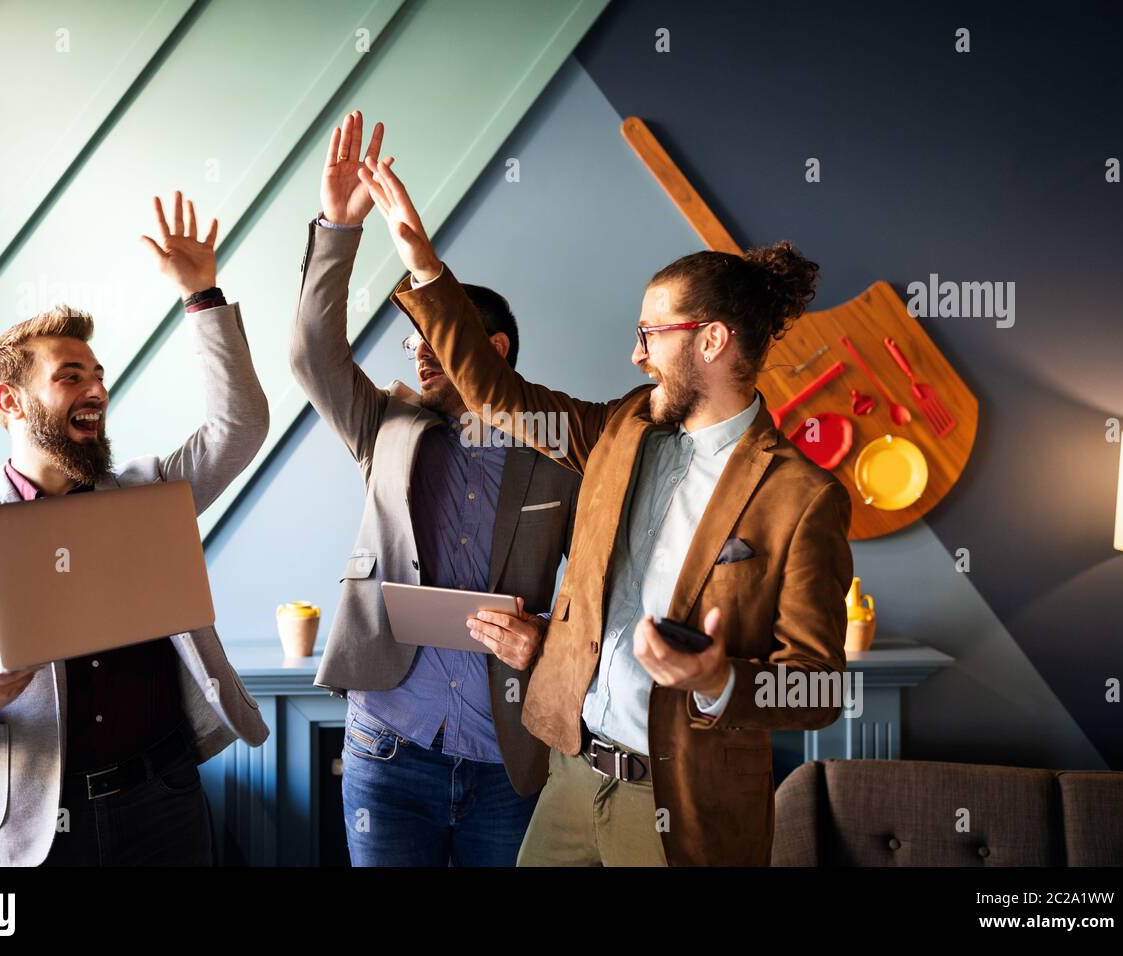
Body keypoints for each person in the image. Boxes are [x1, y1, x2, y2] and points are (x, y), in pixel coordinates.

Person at [357, 154, 853, 866]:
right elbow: (498, 396)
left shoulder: (802, 498)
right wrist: (424, 263)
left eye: (650, 334)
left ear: (711, 339)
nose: (636, 353)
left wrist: (717, 680)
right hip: (568, 778)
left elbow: (816, 684)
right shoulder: (621, 429)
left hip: (679, 810)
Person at [0, 192, 270, 866]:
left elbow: (240, 430)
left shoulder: (149, 495)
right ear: (10, 401)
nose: (95, 390)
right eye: (69, 377)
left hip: (166, 800)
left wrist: (202, 294)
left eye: (98, 376)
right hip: (37, 834)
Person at [291, 112, 580, 866]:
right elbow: (311, 354)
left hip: (508, 760)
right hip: (389, 746)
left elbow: (599, 585)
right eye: (413, 340)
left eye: (438, 338)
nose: (421, 354)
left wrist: (549, 636)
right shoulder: (382, 426)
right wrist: (337, 231)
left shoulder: (557, 447)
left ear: (494, 349)